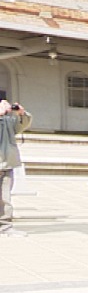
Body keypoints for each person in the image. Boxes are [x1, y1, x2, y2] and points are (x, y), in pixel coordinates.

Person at [0, 98, 32, 237]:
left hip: (7, 163)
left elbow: (22, 125)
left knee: (5, 198)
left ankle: (5, 226)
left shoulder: (8, 121)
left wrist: (21, 113)